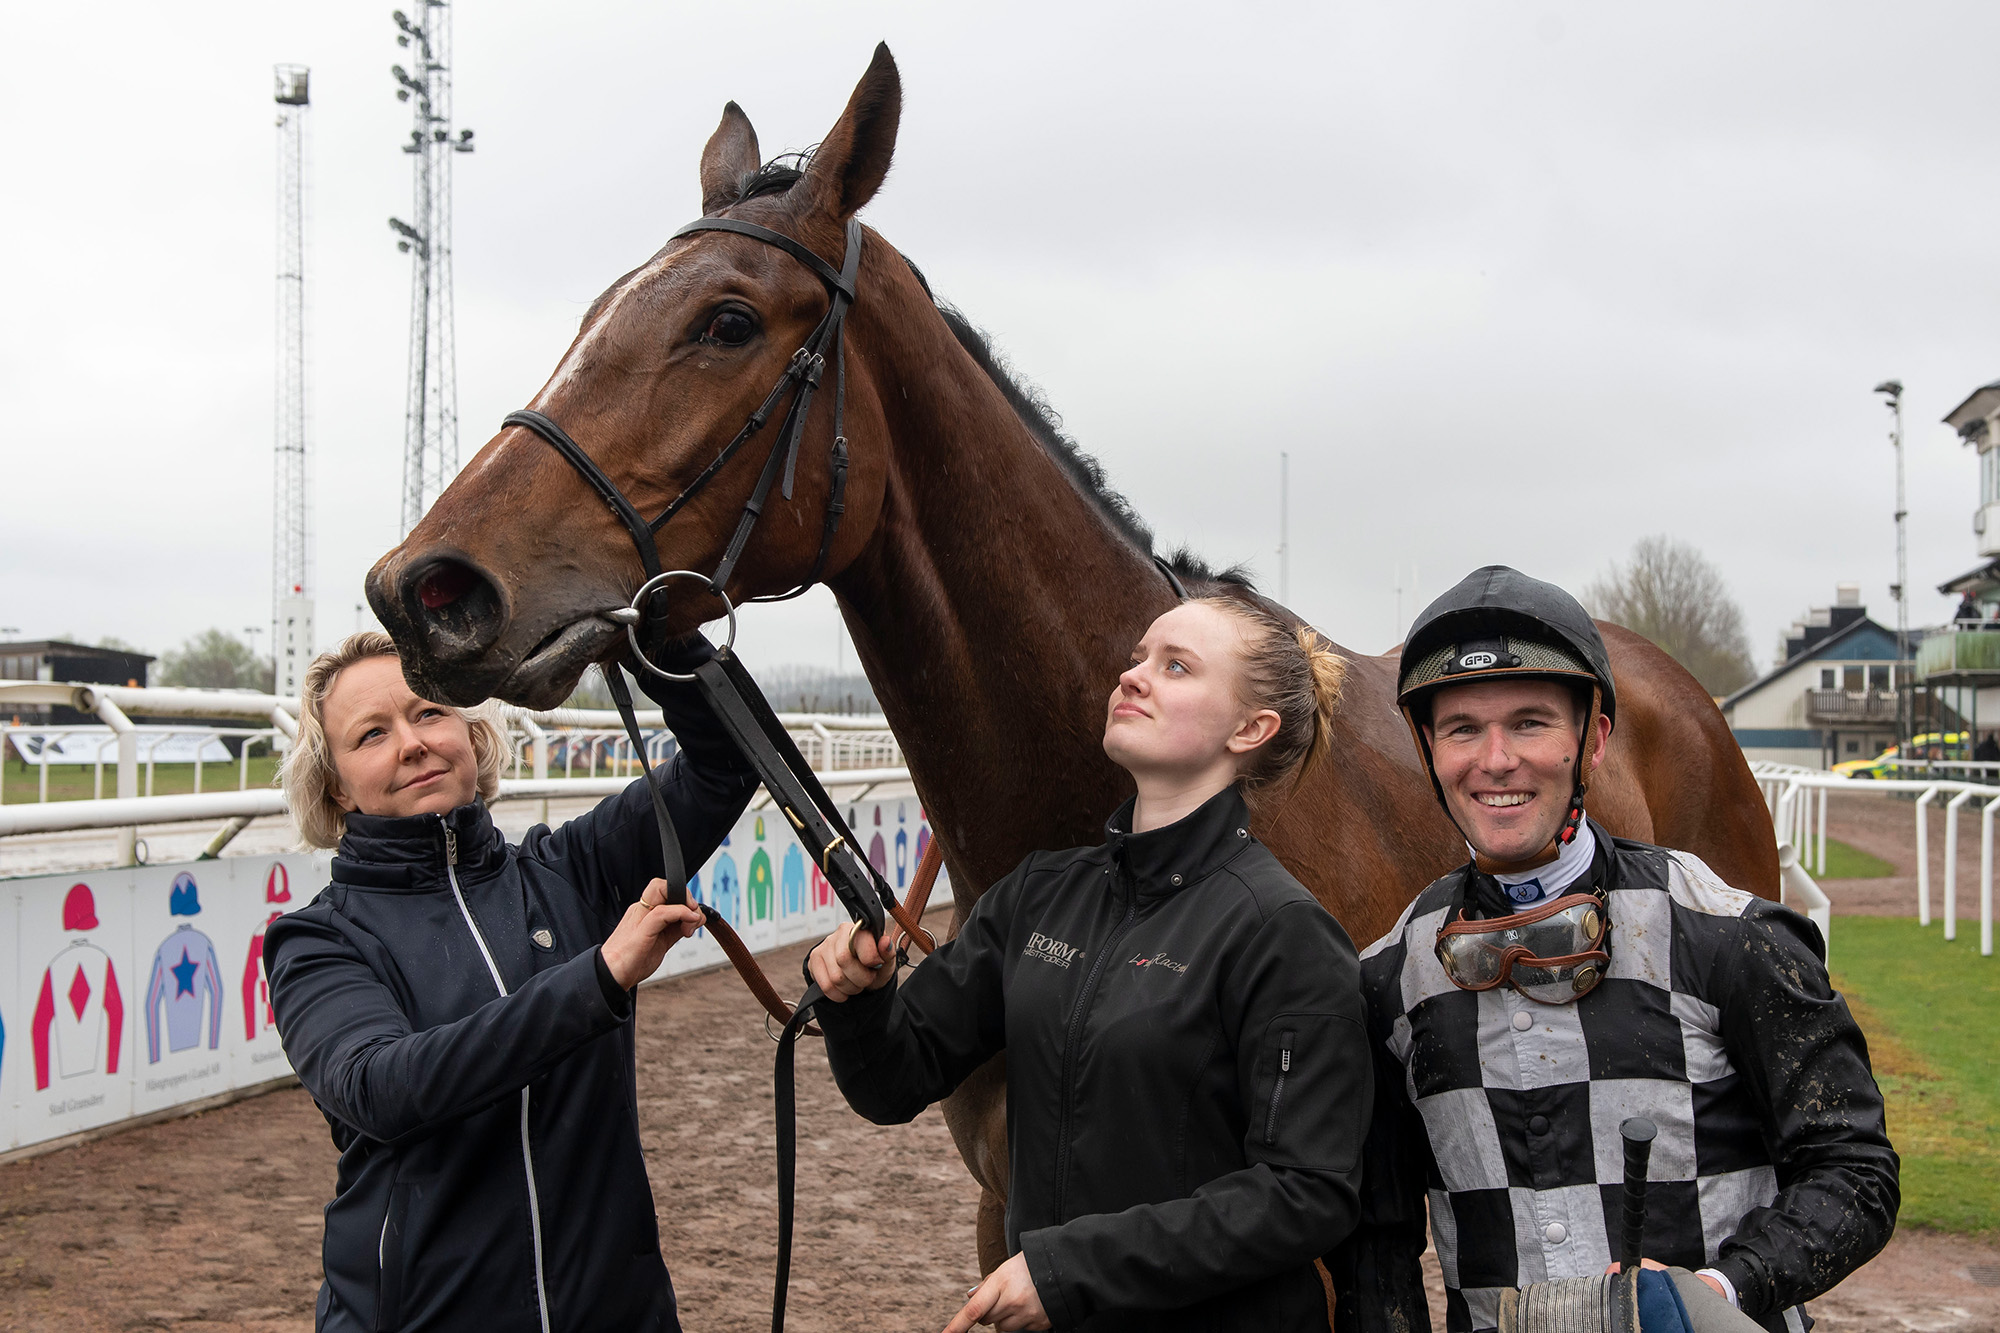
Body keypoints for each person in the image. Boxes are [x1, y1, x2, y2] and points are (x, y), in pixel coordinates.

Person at [1328, 566, 1898, 1333]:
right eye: (1463, 727)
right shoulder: (1388, 976)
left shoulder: (1735, 936)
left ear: (1593, 740)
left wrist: (1722, 1291)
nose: (1495, 760)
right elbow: (1379, 1246)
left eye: (1530, 722)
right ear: (1430, 750)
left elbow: (1855, 1171)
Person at [808, 596, 1371, 1333]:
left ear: (1250, 729)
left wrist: (1074, 1270)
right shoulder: (1038, 893)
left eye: (1175, 666)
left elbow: (1308, 1193)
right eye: (1137, 657)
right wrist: (859, 1000)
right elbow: (893, 1078)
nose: (1132, 676)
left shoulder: (1285, 932)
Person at [264, 631, 758, 1333]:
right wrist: (598, 979)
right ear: (336, 783)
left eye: (430, 712)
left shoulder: (570, 868)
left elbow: (728, 758)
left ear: (469, 729)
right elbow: (382, 1087)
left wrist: (660, 624)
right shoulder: (317, 938)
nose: (411, 742)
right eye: (373, 733)